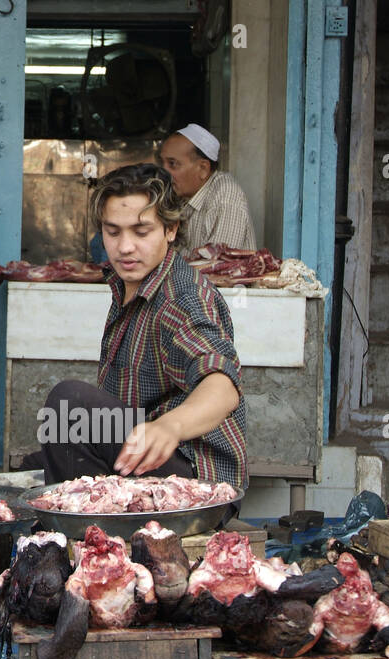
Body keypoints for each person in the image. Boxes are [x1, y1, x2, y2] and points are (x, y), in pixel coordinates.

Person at [36, 163, 248, 490]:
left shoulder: (182, 296)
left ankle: (85, 523)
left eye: (141, 231)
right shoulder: (128, 286)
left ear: (171, 229)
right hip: (143, 462)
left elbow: (221, 385)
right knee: (49, 444)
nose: (125, 247)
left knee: (69, 403)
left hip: (198, 482)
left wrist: (170, 427)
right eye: (113, 231)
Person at [158, 123, 257, 255]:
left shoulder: (226, 195)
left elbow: (216, 264)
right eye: (162, 163)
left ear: (203, 168)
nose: (164, 172)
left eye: (172, 164)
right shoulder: (180, 194)